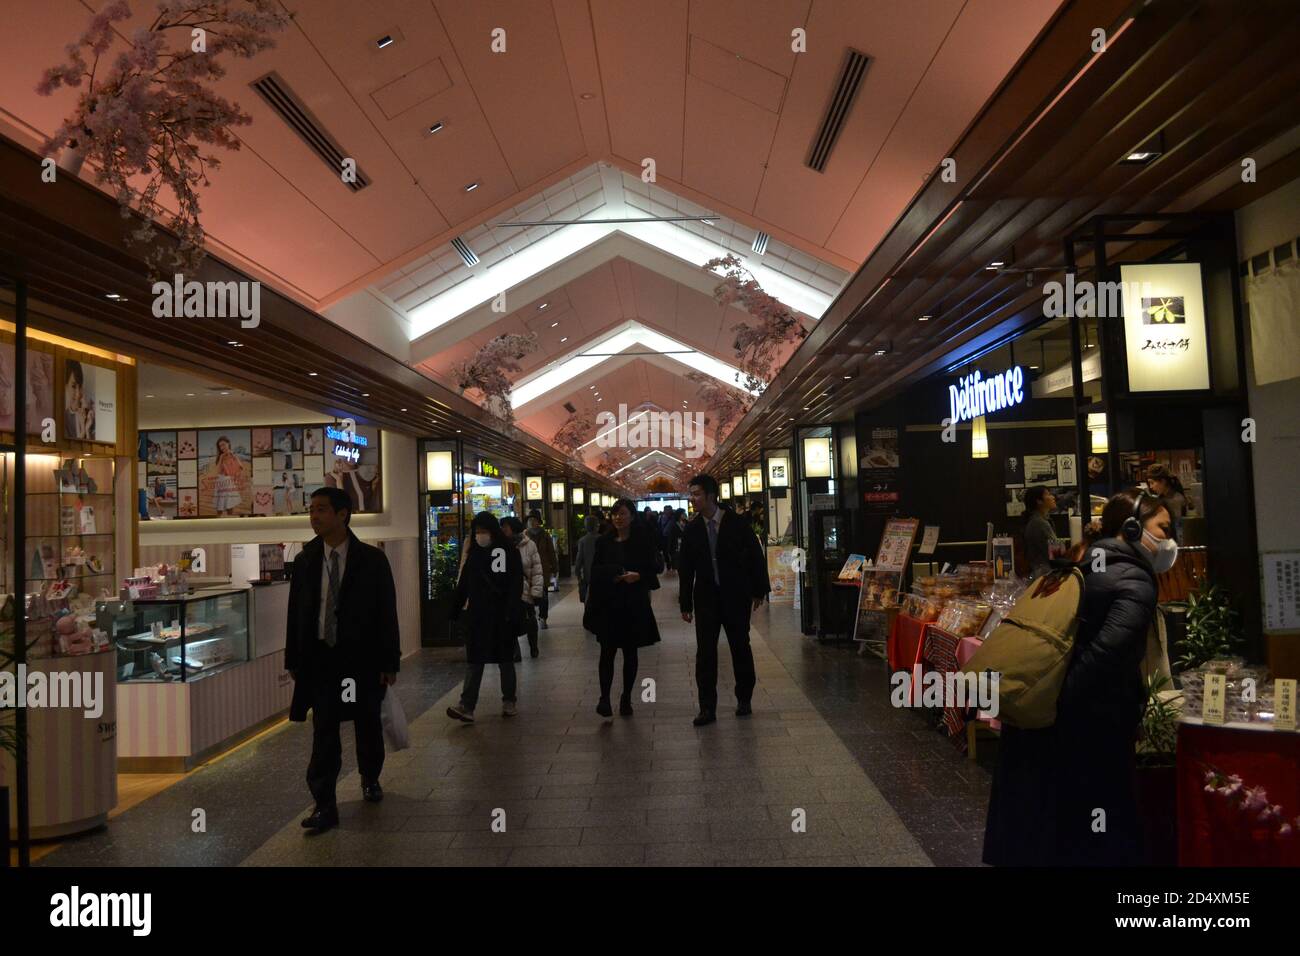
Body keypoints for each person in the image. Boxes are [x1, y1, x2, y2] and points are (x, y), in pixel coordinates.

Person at [984, 488, 1174, 866]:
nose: (1170, 540)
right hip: (1093, 724)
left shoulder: (1088, 561)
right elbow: (1106, 654)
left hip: (1058, 724)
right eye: (1164, 527)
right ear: (1134, 529)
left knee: (1060, 823)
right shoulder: (1134, 580)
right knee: (1101, 825)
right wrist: (1060, 700)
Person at [285, 487, 401, 833]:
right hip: (322, 660)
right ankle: (324, 804)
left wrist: (389, 661)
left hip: (360, 660)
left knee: (366, 723)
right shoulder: (306, 560)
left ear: (342, 514)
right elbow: (296, 614)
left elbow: (386, 613)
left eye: (321, 510)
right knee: (324, 731)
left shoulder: (371, 559)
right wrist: (294, 659)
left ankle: (370, 776)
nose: (314, 516)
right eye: (312, 510)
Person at [678, 474, 770, 726]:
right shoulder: (693, 529)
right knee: (705, 653)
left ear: (710, 496)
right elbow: (685, 569)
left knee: (740, 646)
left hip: (735, 596)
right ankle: (707, 707)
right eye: (691, 493)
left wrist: (759, 590)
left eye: (696, 493)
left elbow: (755, 557)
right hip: (706, 598)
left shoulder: (737, 524)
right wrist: (685, 604)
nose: (692, 498)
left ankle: (744, 698)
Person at [584, 498, 660, 718]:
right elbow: (595, 571)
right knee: (606, 652)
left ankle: (626, 696)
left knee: (630, 651)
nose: (618, 517)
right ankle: (604, 698)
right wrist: (613, 573)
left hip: (633, 603)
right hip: (609, 603)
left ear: (632, 516)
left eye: (623, 514)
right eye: (615, 514)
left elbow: (655, 567)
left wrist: (638, 576)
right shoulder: (604, 541)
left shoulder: (642, 540)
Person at [447, 512, 523, 723]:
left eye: (484, 531)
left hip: (500, 616)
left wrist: (512, 611)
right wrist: (454, 611)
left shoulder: (491, 553)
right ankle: (467, 705)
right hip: (480, 616)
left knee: (504, 661)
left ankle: (508, 700)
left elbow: (515, 585)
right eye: (477, 531)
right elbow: (464, 585)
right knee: (476, 661)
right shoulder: (492, 552)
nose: (480, 535)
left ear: (493, 532)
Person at [502, 516, 543, 658]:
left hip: (525, 590)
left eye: (505, 527)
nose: (503, 530)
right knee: (510, 621)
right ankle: (515, 652)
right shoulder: (501, 546)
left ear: (513, 528)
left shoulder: (529, 544)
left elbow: (536, 569)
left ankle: (533, 646)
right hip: (508, 591)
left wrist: (536, 591)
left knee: (529, 620)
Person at [525, 510, 557, 629]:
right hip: (529, 570)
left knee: (543, 595)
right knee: (529, 595)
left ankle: (543, 617)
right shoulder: (525, 535)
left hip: (543, 569)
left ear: (539, 522)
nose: (532, 522)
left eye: (534, 520)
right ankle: (531, 616)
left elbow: (551, 552)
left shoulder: (545, 535)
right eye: (530, 520)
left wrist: (554, 567)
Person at [1022, 486, 1062, 581]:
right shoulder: (1039, 523)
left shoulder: (1037, 521)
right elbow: (1057, 552)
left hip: (1040, 574)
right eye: (1048, 494)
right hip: (1044, 576)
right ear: (1039, 501)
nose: (1053, 497)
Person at [1145, 463, 1187, 538]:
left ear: (1163, 481)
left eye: (1152, 483)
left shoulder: (1176, 499)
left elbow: (1176, 527)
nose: (1151, 487)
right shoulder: (1160, 497)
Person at [210, 436, 244, 516]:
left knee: (230, 505)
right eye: (220, 446)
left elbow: (241, 467)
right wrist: (221, 458)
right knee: (219, 506)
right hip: (221, 481)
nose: (222, 447)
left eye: (223, 444)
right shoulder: (220, 456)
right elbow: (217, 471)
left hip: (229, 481)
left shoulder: (233, 455)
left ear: (228, 444)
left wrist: (236, 474)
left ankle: (230, 520)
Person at [574, 515, 601, 605]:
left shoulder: (582, 541)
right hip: (601, 575)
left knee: (588, 602)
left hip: (588, 575)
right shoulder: (602, 539)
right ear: (596, 526)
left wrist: (578, 573)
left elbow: (579, 559)